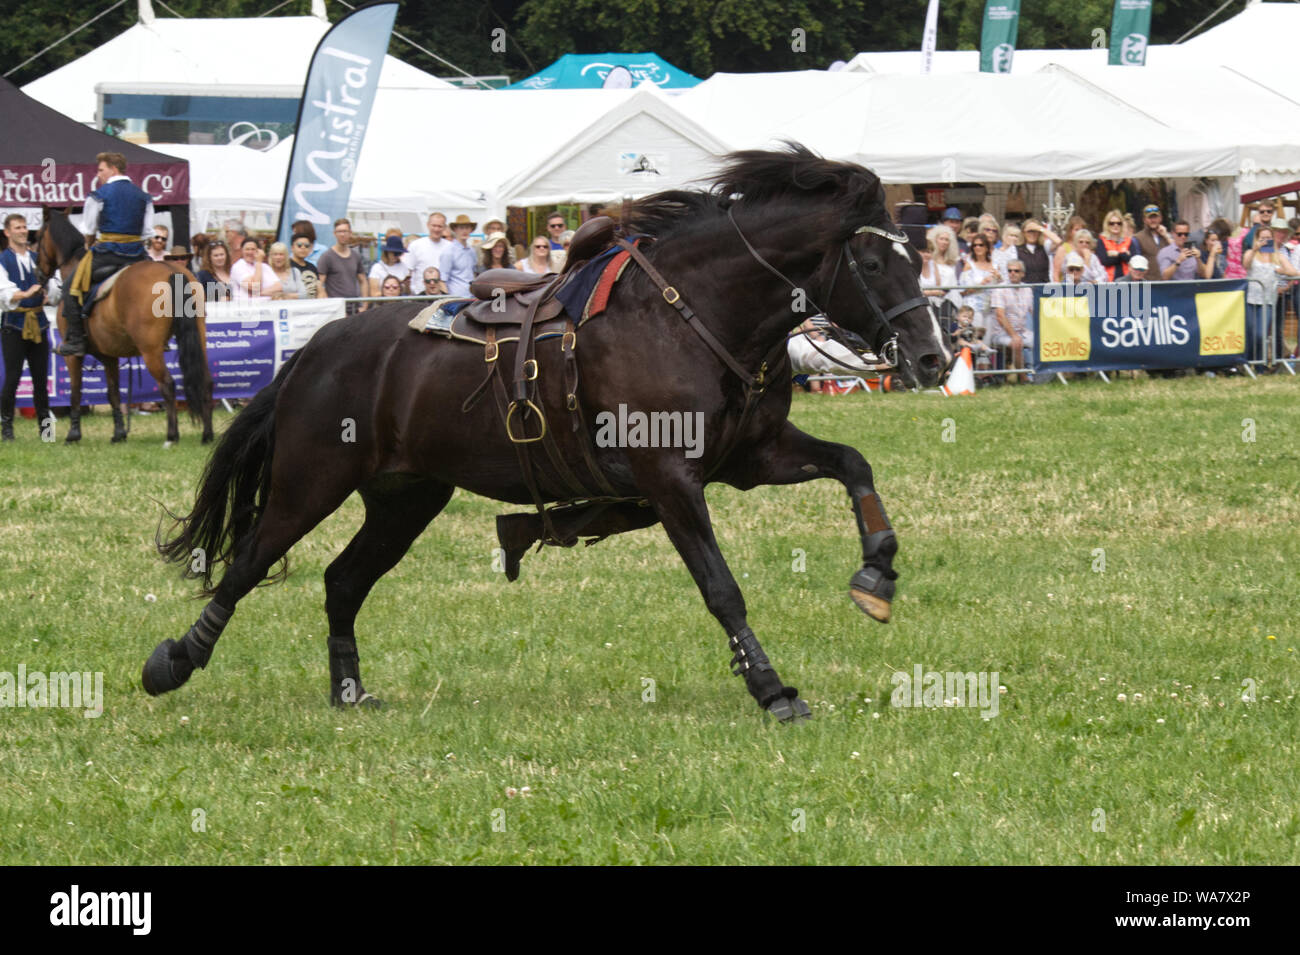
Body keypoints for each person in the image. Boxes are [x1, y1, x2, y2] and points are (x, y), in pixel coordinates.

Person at [58, 150, 155, 356]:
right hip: (138, 255)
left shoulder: (98, 195)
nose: (98, 174)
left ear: (113, 169)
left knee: (69, 288)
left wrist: (89, 244)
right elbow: (147, 231)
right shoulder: (144, 196)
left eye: (101, 170)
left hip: (107, 254)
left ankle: (76, 341)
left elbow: (90, 229)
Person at [1, 214, 50, 440]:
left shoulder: (37, 257)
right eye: (17, 228)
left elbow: (54, 282)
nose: (22, 231)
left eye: (24, 227)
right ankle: (7, 430)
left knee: (42, 380)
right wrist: (27, 292)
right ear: (7, 232)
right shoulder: (3, 260)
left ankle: (47, 432)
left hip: (39, 323)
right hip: (14, 324)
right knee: (12, 378)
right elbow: (6, 294)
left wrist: (50, 294)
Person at [1244, 226, 1299, 364]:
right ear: (1257, 239)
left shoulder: (1277, 255)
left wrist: (1282, 270)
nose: (1265, 241)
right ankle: (1250, 361)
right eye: (1262, 238)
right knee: (1251, 334)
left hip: (1268, 301)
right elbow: (1246, 264)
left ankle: (1261, 365)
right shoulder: (1251, 252)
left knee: (1261, 334)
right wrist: (1255, 249)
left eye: (1268, 238)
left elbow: (1293, 272)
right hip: (1251, 299)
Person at [989, 259, 1034, 380]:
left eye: (1016, 271)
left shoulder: (1028, 289)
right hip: (1000, 333)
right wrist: (1013, 335)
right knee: (1017, 343)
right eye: (1010, 271)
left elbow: (1034, 311)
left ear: (1022, 274)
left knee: (1043, 340)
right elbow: (1000, 316)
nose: (1012, 273)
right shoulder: (1000, 289)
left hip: (1022, 331)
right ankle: (1023, 378)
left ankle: (1040, 374)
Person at [316, 218, 368, 313]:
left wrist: (364, 305)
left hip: (353, 308)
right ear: (334, 233)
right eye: (339, 231)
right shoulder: (327, 256)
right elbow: (319, 283)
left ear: (350, 232)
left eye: (345, 231)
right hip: (336, 309)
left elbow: (363, 280)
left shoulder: (356, 256)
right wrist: (327, 304)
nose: (342, 234)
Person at [958, 233, 999, 335]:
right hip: (974, 308)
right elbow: (963, 291)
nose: (977, 247)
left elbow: (1000, 286)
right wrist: (982, 283)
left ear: (987, 247)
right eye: (975, 245)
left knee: (987, 341)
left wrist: (999, 277)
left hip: (990, 307)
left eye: (981, 245)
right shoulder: (969, 264)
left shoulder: (994, 264)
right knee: (975, 339)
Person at [407, 213, 451, 294]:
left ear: (444, 227)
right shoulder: (416, 245)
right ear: (428, 225)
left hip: (443, 295)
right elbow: (409, 270)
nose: (436, 229)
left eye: (439, 226)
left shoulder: (450, 247)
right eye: (434, 226)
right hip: (420, 295)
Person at [230, 237, 281, 302]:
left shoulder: (265, 266)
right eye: (247, 249)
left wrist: (261, 293)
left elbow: (280, 287)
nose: (250, 252)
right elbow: (255, 287)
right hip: (245, 307)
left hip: (266, 306)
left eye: (253, 249)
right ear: (242, 250)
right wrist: (259, 262)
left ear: (258, 251)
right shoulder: (238, 267)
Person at [440, 215, 477, 297]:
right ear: (455, 230)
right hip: (455, 297)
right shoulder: (448, 251)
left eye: (467, 228)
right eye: (461, 228)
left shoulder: (472, 251)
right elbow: (442, 280)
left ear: (471, 230)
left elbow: (473, 273)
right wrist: (447, 299)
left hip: (471, 296)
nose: (464, 231)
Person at [1097, 211, 1139, 280]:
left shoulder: (1128, 241)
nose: (1115, 225)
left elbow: (1134, 261)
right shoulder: (1102, 241)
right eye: (1112, 223)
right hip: (1108, 281)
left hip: (1127, 280)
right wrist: (1124, 255)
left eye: (1118, 223)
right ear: (1107, 225)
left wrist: (1116, 254)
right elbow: (1104, 261)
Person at [1017, 219, 1055, 284]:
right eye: (1029, 231)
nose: (1032, 234)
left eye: (1035, 231)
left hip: (1043, 288)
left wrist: (1040, 228)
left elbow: (1058, 241)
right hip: (1025, 288)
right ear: (1023, 233)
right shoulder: (1016, 249)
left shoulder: (1045, 247)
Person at [1134, 204, 1171, 270]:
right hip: (1148, 279)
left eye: (1155, 217)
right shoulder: (1137, 238)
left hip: (1167, 279)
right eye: (1150, 217)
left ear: (1160, 218)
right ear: (1144, 220)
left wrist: (1166, 236)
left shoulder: (1166, 236)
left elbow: (1177, 252)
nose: (1153, 220)